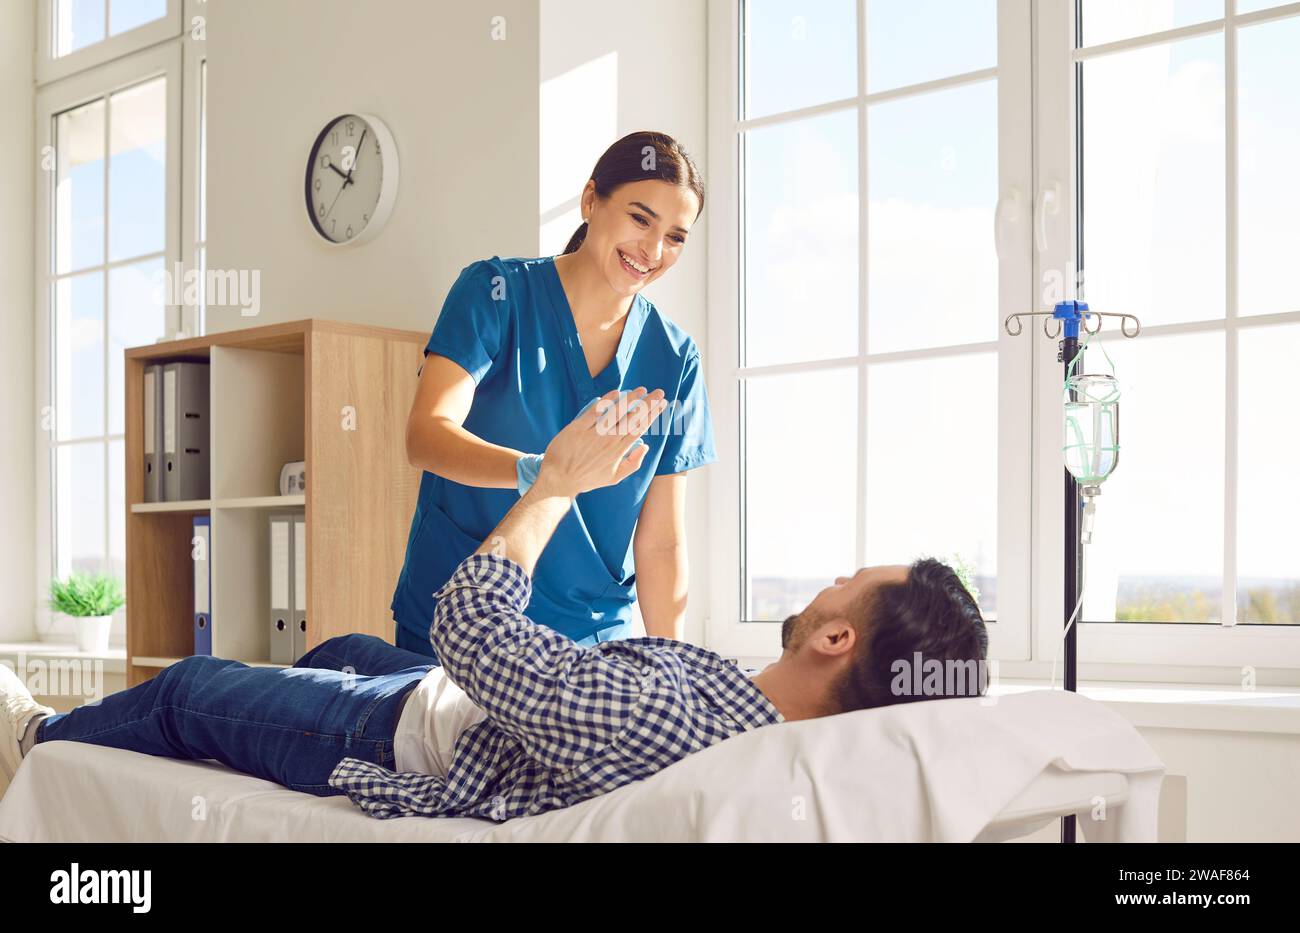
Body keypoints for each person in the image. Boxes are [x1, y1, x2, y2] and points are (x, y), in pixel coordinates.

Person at [1, 388, 989, 822]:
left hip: (415, 733)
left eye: (842, 585)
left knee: (188, 690)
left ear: (834, 634)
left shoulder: (683, 722)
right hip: (468, 706)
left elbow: (466, 625)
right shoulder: (757, 713)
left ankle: (38, 734)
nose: (826, 579)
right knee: (340, 637)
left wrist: (556, 482)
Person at [392, 130, 715, 659]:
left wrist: (671, 668)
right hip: (457, 627)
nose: (654, 251)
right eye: (640, 219)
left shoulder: (674, 360)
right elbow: (426, 435)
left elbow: (660, 543)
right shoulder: (496, 294)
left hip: (584, 647)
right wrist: (542, 475)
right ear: (591, 201)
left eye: (676, 237)